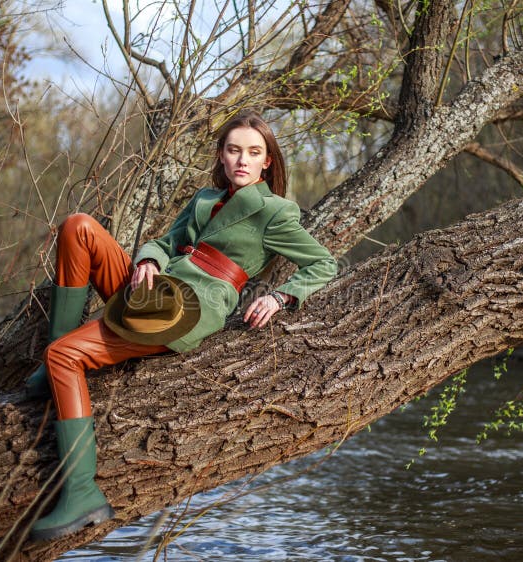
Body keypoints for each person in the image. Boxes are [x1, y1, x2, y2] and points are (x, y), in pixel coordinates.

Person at [25, 110, 338, 541]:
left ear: (267, 161)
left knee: (65, 356)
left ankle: (81, 491)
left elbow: (323, 263)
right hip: (155, 286)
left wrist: (279, 296)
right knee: (78, 227)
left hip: (191, 306)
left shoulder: (276, 211)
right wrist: (149, 259)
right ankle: (52, 369)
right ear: (221, 155)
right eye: (234, 150)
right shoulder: (205, 198)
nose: (242, 160)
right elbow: (166, 241)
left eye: (253, 152)